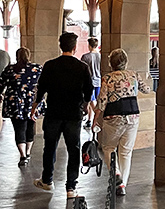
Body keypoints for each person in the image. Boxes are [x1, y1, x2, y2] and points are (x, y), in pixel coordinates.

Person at [32, 31, 93, 199]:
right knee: (73, 149)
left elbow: (41, 88)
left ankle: (47, 180)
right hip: (73, 114)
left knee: (49, 147)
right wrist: (86, 106)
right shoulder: (82, 67)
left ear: (60, 46)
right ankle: (71, 188)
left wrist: (34, 107)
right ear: (74, 47)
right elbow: (88, 92)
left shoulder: (50, 65)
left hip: (53, 113)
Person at [94, 49, 150, 197]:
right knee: (126, 152)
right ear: (126, 62)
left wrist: (95, 119)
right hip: (132, 115)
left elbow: (102, 101)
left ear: (110, 63)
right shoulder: (134, 75)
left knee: (108, 148)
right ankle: (122, 185)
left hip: (113, 116)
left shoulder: (107, 78)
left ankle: (116, 173)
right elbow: (146, 89)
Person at [0, 47, 42, 166]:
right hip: (32, 102)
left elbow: (1, 83)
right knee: (30, 127)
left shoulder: (10, 69)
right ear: (29, 55)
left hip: (15, 103)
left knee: (19, 129)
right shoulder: (37, 68)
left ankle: (23, 155)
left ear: (17, 56)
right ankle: (28, 152)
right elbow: (43, 84)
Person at [80, 37, 101, 129]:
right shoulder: (101, 56)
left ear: (89, 45)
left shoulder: (85, 57)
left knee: (91, 101)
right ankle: (91, 119)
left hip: (90, 82)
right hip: (99, 81)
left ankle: (95, 117)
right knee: (97, 101)